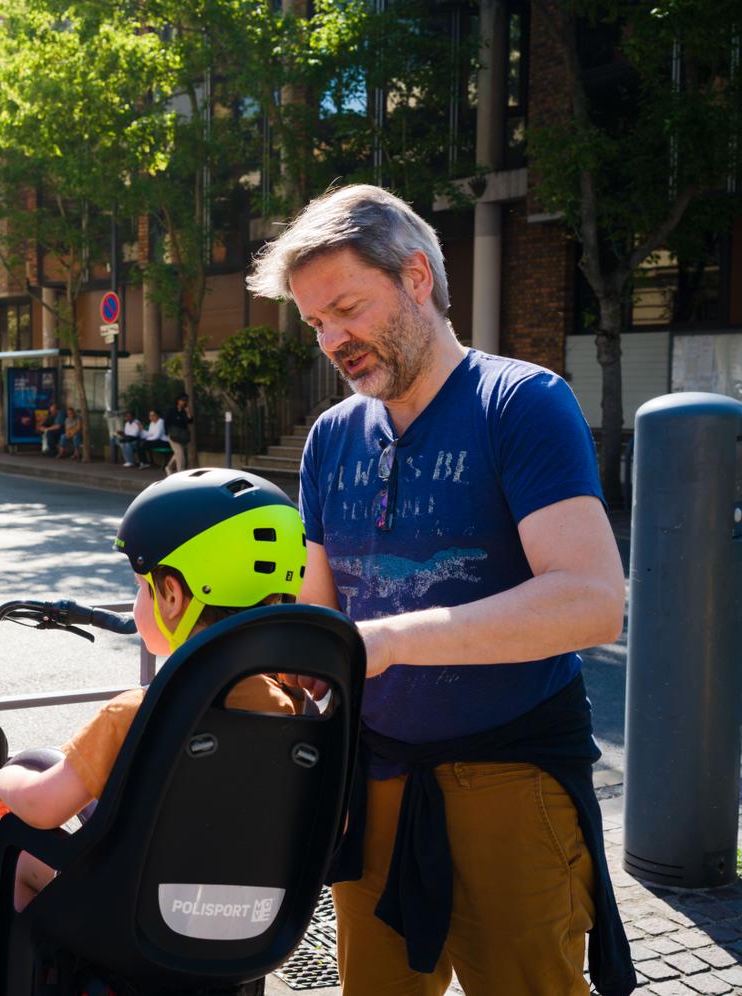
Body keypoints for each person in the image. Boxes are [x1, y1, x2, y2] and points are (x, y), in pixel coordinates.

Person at [247, 184, 632, 996]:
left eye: (346, 307)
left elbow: (593, 598)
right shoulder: (330, 437)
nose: (333, 340)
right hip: (375, 780)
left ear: (417, 277)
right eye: (316, 323)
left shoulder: (520, 404)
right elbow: (325, 612)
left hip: (512, 780)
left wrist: (389, 641)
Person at [0, 468, 311, 913]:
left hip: (141, 924)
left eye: (140, 586)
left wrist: (3, 781)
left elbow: (43, 807)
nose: (138, 601)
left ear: (173, 597)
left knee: (19, 857)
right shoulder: (299, 708)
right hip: (254, 919)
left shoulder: (142, 713)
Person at [165, 394, 192, 474]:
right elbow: (166, 421)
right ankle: (181, 473)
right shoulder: (171, 410)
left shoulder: (185, 411)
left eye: (186, 400)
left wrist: (188, 413)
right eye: (182, 400)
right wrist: (166, 433)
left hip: (182, 436)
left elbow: (190, 421)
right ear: (178, 401)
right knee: (180, 454)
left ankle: (169, 467)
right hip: (173, 435)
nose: (184, 402)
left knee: (179, 453)